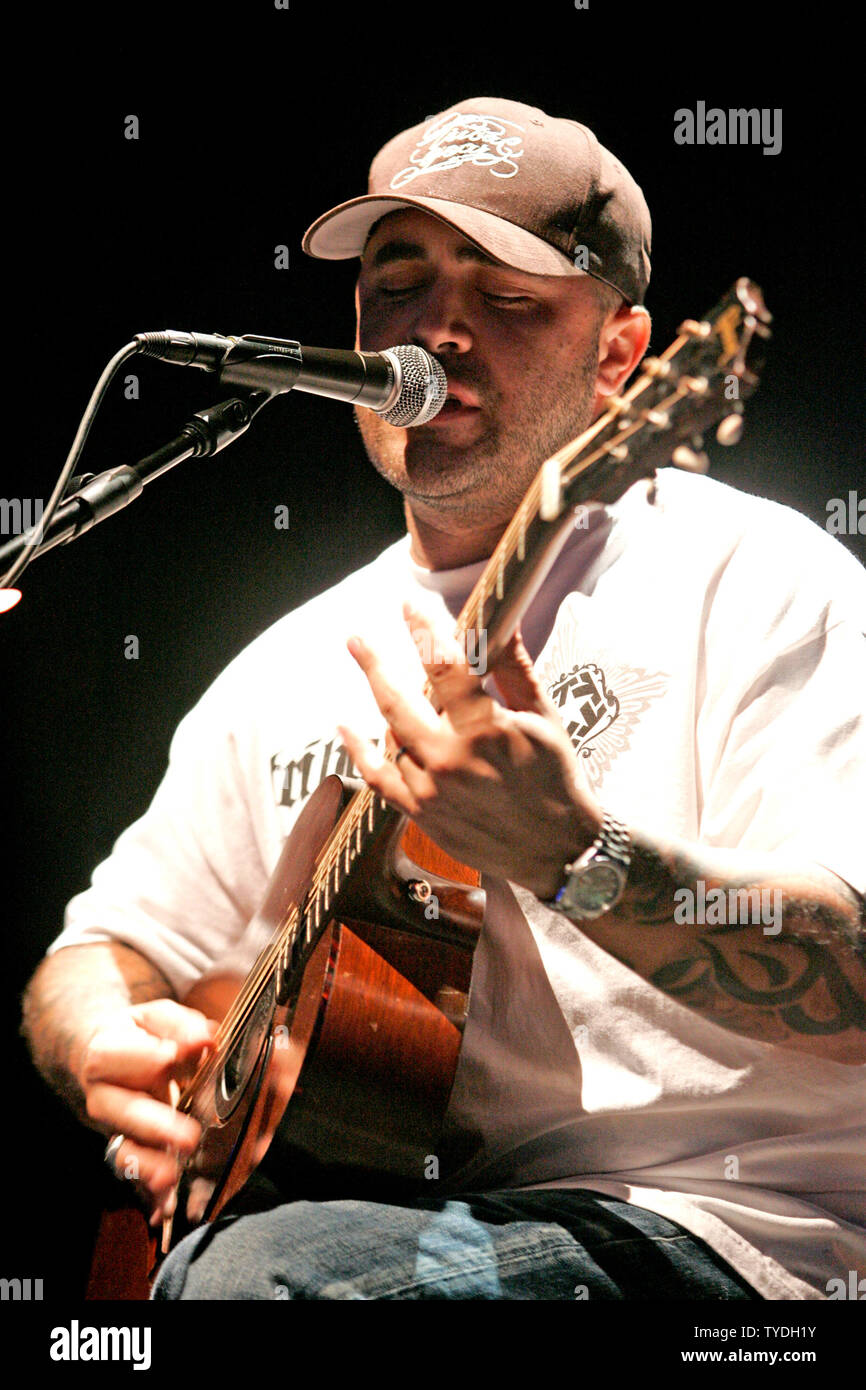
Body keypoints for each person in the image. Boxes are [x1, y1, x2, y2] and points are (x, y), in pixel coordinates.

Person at [22, 97, 865, 1301]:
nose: (434, 328)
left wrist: (580, 855)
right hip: (413, 1221)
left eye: (507, 292)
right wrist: (107, 1042)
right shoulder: (289, 661)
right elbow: (96, 951)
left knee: (250, 1289)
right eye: (397, 282)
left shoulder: (761, 580)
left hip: (730, 1230)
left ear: (623, 359)